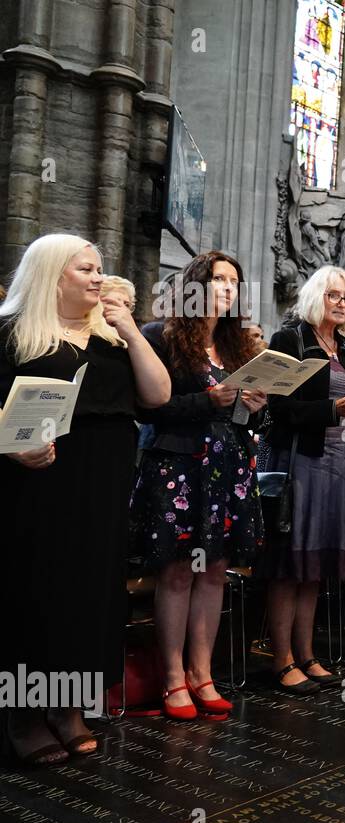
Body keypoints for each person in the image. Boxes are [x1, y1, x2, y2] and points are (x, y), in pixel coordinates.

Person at [0, 234, 170, 764]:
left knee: (90, 594)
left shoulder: (112, 336)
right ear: (52, 274)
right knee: (38, 591)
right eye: (85, 269)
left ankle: (68, 706)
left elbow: (158, 395)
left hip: (103, 483)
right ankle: (24, 713)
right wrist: (9, 447)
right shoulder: (11, 333)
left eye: (100, 269)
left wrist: (129, 331)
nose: (99, 278)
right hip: (35, 483)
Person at [131, 251, 267, 719]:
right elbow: (149, 411)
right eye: (218, 279)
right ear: (194, 285)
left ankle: (202, 672)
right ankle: (172, 677)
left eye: (234, 280)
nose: (227, 287)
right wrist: (208, 400)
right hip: (178, 464)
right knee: (177, 572)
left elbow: (249, 420)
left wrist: (255, 404)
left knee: (214, 572)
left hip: (227, 467)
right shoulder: (161, 336)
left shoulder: (239, 347)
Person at [261, 266, 345, 692]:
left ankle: (308, 654)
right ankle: (282, 660)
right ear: (317, 295)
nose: (342, 303)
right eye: (334, 295)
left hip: (339, 464)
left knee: (315, 569)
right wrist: (333, 411)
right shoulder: (290, 340)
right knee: (291, 565)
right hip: (301, 461)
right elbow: (278, 409)